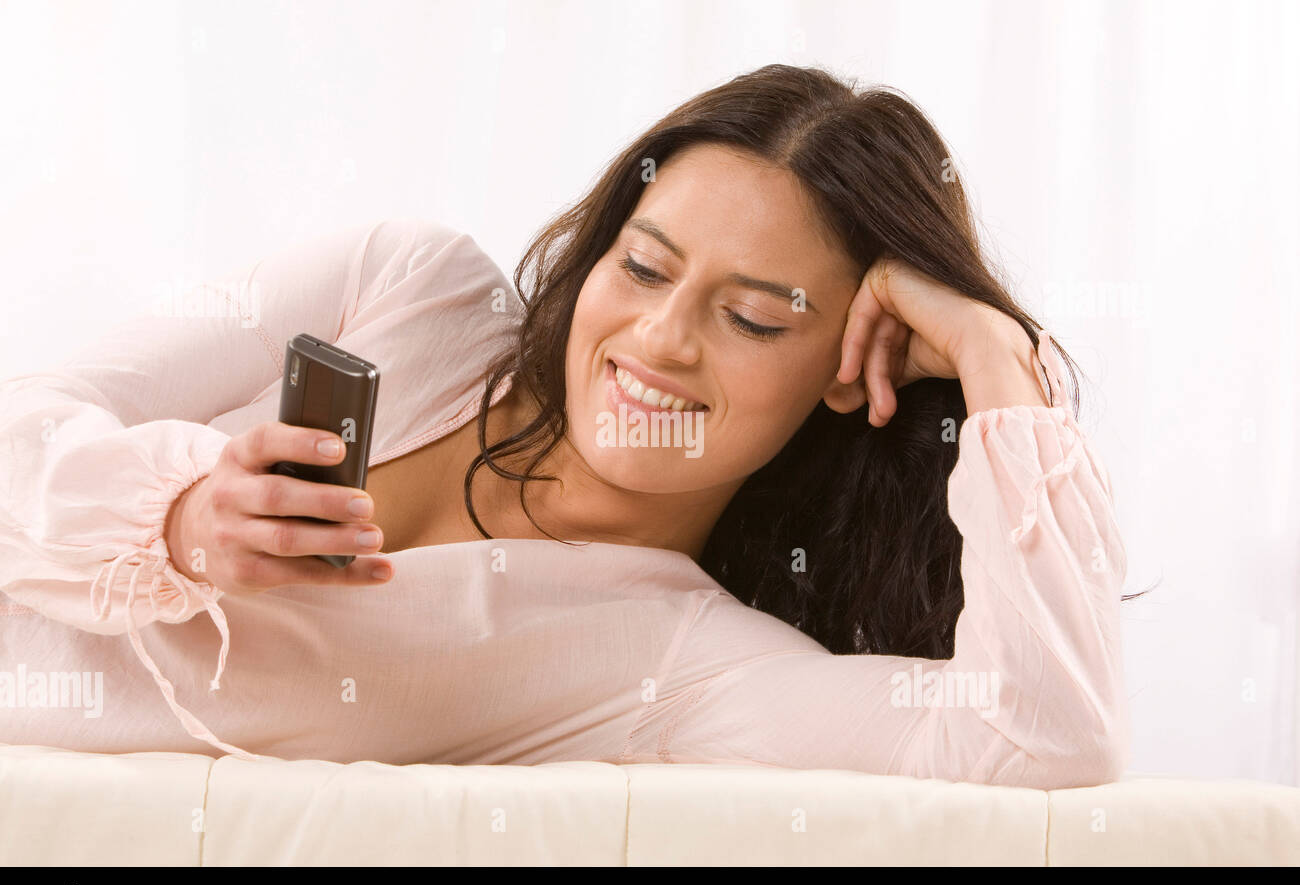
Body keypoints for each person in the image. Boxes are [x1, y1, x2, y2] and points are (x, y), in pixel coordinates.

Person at [0, 64, 1131, 789]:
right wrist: (180, 518)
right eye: (642, 266)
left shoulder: (682, 660)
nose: (660, 339)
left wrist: (996, 361)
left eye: (748, 316)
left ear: (847, 371)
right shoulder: (410, 283)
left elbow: (1041, 738)